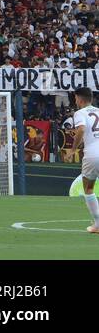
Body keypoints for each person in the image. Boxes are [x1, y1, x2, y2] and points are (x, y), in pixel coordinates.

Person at [67, 88, 99, 234]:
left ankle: (98, 225)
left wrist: (73, 149)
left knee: (89, 189)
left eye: (75, 98)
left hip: (92, 154)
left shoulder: (80, 113)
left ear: (79, 99)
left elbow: (81, 129)